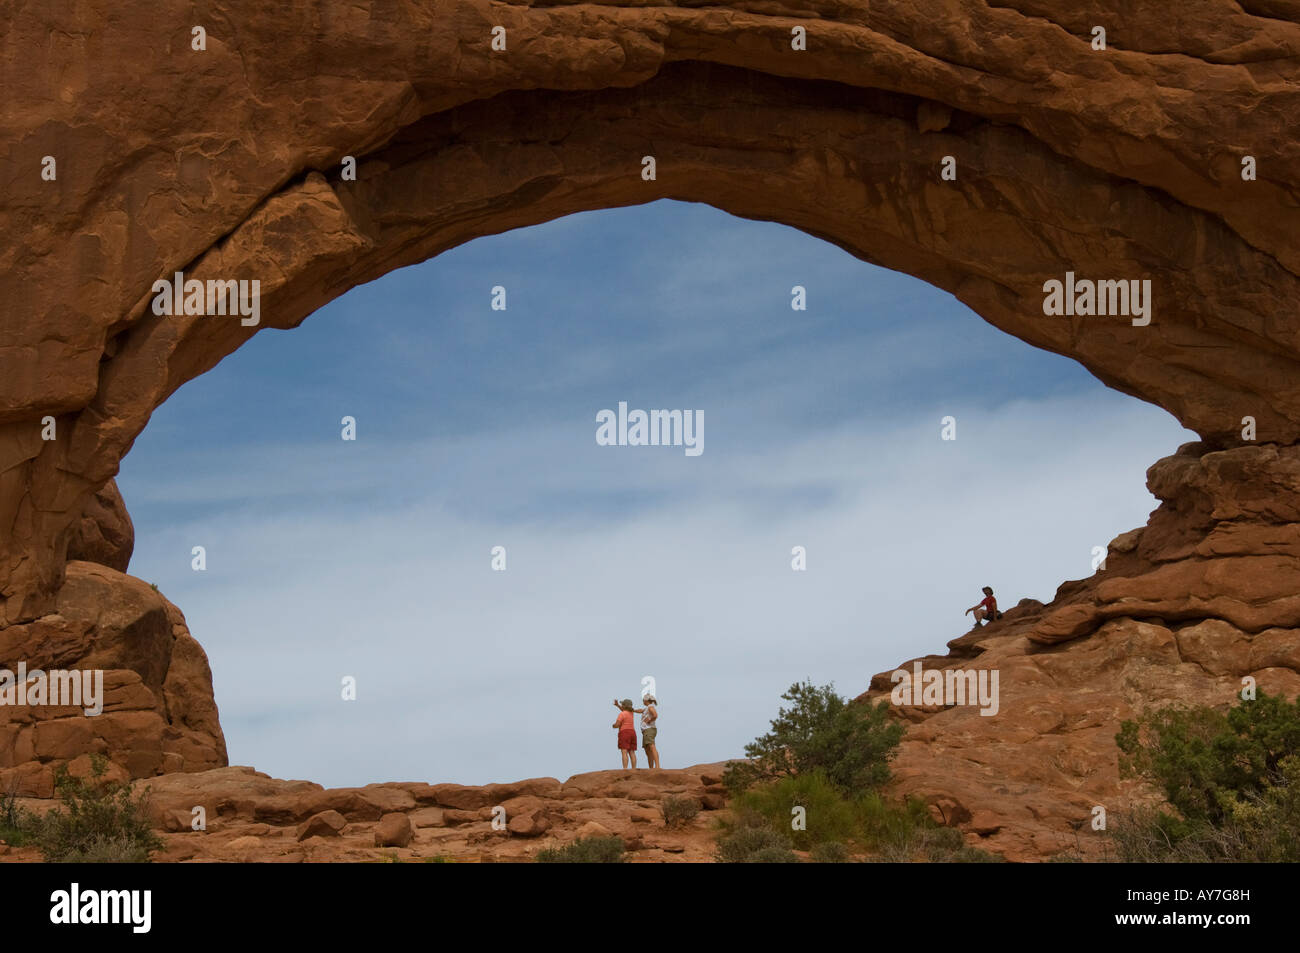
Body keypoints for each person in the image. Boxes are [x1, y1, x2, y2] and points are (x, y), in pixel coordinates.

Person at [611, 698, 638, 768]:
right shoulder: (631, 713)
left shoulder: (622, 714)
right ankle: (633, 769)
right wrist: (617, 705)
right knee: (632, 752)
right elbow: (624, 710)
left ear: (624, 706)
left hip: (624, 732)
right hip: (633, 732)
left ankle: (625, 769)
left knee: (624, 751)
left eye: (622, 704)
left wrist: (613, 725)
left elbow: (617, 724)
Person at [640, 694, 660, 769]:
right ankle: (651, 767)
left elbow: (655, 715)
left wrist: (649, 720)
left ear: (646, 700)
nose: (642, 701)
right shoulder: (647, 708)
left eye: (643, 700)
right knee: (647, 749)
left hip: (649, 729)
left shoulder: (650, 707)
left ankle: (657, 766)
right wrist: (632, 710)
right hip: (646, 730)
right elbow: (640, 710)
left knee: (651, 746)